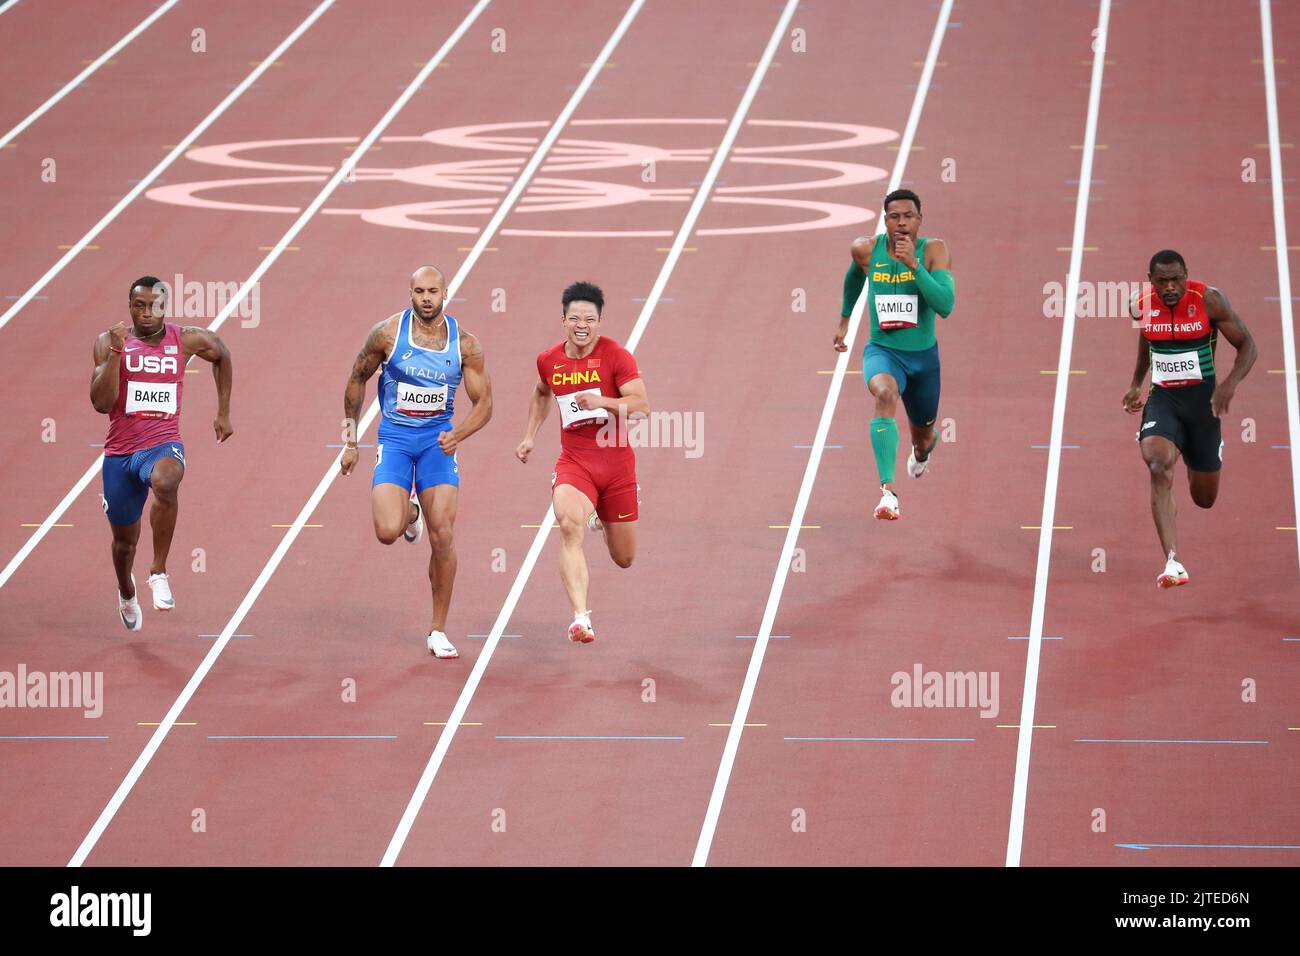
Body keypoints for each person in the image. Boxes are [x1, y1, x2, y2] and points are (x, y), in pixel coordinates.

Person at [340, 266, 492, 657]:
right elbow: (357, 378)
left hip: (436, 444)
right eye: (419, 291)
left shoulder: (466, 345)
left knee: (443, 535)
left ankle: (437, 629)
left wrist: (458, 434)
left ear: (446, 293)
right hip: (394, 439)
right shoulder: (388, 334)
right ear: (410, 293)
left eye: (433, 292)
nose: (426, 298)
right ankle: (410, 514)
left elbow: (485, 404)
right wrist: (350, 440)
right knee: (387, 531)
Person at [91, 276, 233, 630]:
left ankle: (158, 571)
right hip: (120, 454)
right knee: (124, 545)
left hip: (162, 443)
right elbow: (100, 403)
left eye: (155, 305)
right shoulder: (108, 342)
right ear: (130, 308)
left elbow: (222, 353)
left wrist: (223, 411)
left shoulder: (183, 339)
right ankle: (126, 589)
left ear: (165, 307)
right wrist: (116, 354)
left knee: (166, 481)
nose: (148, 313)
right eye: (140, 306)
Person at [515, 281, 648, 644]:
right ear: (563, 320)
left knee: (624, 558)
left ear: (599, 323)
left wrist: (603, 401)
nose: (582, 324)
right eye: (575, 318)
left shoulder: (617, 356)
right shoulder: (549, 360)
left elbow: (641, 406)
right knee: (568, 525)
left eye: (590, 318)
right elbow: (542, 392)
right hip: (576, 462)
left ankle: (602, 521)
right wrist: (529, 436)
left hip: (618, 467)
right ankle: (580, 618)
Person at [1123, 249, 1257, 587]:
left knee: (1204, 499)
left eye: (1176, 279)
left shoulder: (1209, 300)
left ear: (1186, 275)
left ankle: (1202, 449)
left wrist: (1228, 384)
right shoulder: (1140, 304)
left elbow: (1248, 345)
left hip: (1203, 406)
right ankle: (1173, 561)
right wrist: (1136, 383)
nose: (1170, 287)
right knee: (1157, 464)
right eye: (1162, 280)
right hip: (1163, 400)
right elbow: (1146, 340)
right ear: (1150, 280)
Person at [835, 189, 955, 520]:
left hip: (923, 361)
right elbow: (853, 277)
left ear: (919, 219)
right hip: (883, 351)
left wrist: (914, 266)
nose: (901, 223)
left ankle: (923, 452)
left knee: (923, 436)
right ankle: (888, 493)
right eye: (894, 217)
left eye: (908, 216)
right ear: (885, 219)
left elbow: (945, 306)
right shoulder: (866, 250)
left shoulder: (933, 251)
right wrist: (844, 321)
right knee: (885, 392)